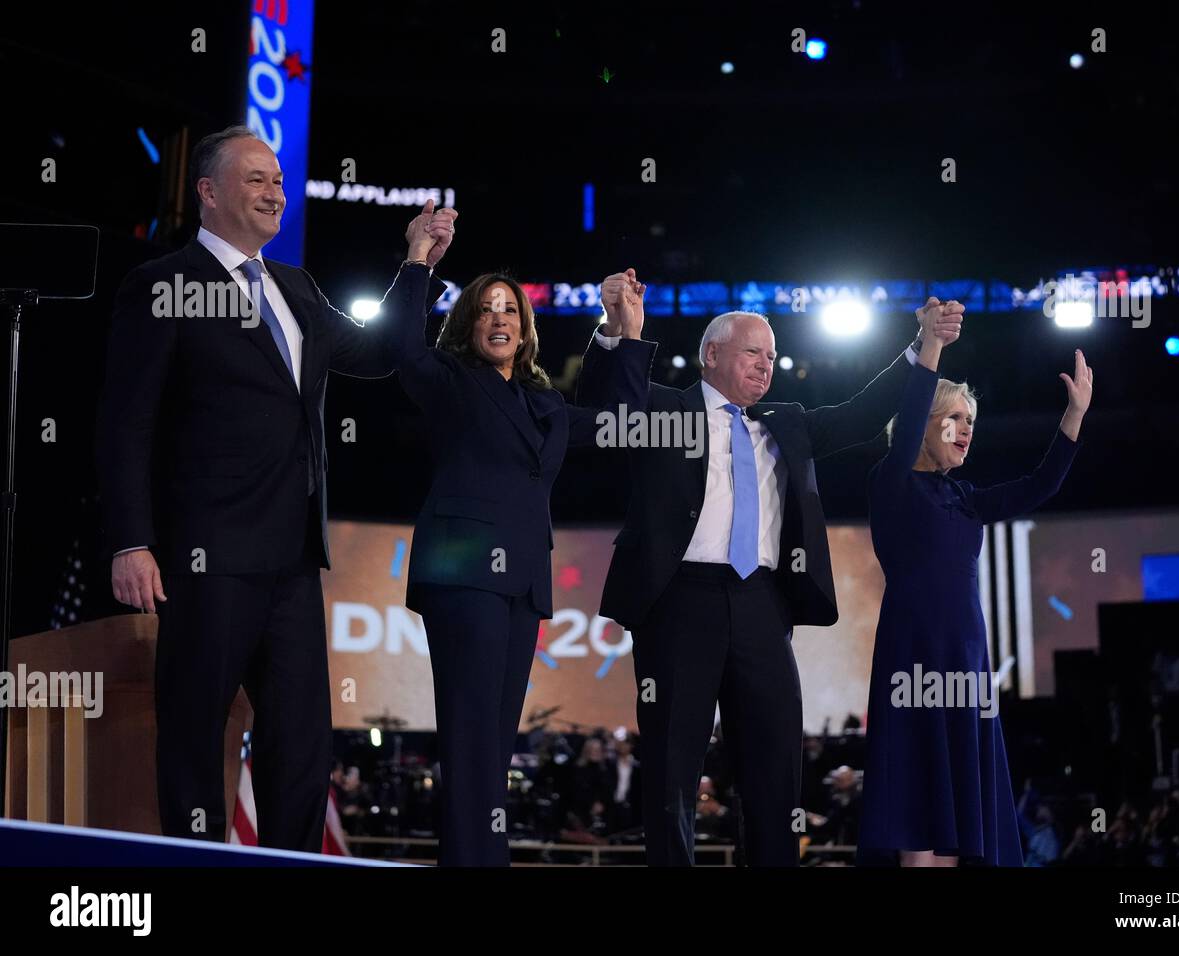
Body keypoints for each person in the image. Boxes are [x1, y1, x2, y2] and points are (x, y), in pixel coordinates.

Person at [95, 125, 447, 850]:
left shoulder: (294, 286)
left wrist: (416, 262)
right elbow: (125, 423)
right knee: (194, 736)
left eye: (279, 180)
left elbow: (382, 355)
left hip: (291, 559)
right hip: (207, 555)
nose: (274, 192)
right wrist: (131, 539)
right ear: (208, 192)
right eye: (255, 179)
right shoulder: (163, 285)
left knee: (302, 745)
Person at [575, 287, 960, 865]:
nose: (766, 365)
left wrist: (923, 345)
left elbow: (861, 412)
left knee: (775, 767)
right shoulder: (663, 410)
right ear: (711, 356)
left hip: (762, 604)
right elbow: (606, 401)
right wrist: (620, 330)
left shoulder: (788, 423)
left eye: (772, 357)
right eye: (753, 352)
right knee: (672, 767)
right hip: (680, 600)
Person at [389, 209, 656, 865]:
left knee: (497, 736)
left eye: (510, 309)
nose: (500, 318)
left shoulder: (542, 403)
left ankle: (486, 857)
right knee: (471, 729)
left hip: (523, 581)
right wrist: (419, 259)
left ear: (525, 328)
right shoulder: (450, 382)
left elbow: (621, 423)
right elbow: (399, 351)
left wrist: (621, 331)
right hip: (463, 574)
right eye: (487, 310)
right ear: (469, 325)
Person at [857, 309, 1091, 866]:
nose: (967, 430)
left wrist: (1074, 417)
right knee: (917, 787)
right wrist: (932, 348)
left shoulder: (965, 497)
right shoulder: (892, 484)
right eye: (955, 418)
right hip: (913, 656)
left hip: (967, 659)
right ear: (925, 422)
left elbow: (1040, 486)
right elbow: (908, 420)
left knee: (962, 809)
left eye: (972, 422)